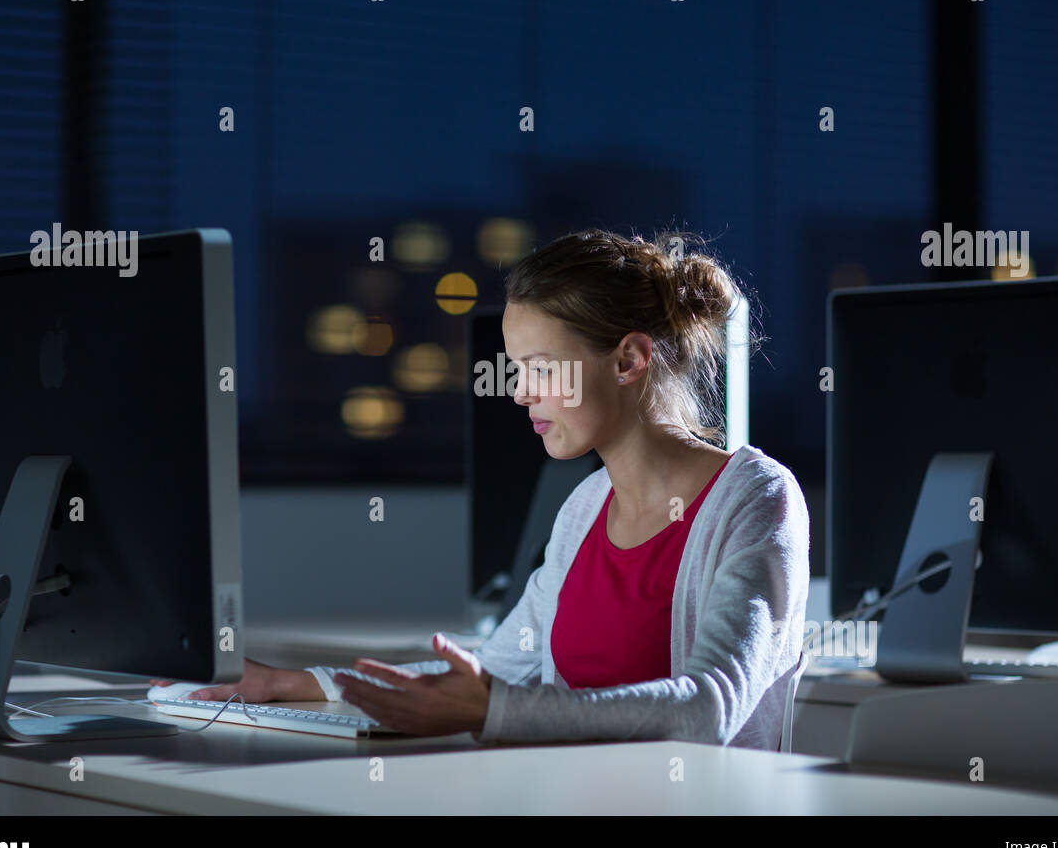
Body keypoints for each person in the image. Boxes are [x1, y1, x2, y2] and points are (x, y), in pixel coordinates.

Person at [152, 228, 809, 749]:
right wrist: (296, 683)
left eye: (540, 368)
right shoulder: (584, 510)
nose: (519, 393)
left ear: (630, 359)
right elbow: (492, 675)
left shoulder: (755, 498)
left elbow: (709, 708)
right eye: (514, 370)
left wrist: (499, 710)